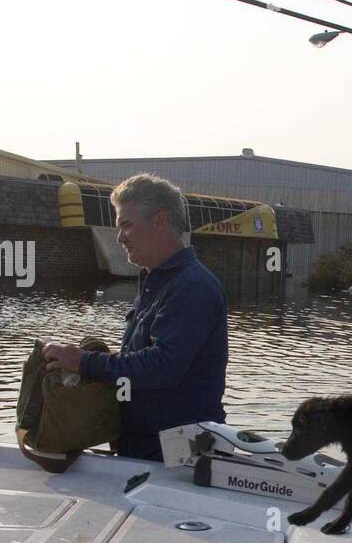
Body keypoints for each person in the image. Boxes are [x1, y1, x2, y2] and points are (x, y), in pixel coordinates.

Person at [44, 174, 227, 461]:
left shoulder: (192, 287)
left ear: (159, 220)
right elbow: (144, 362)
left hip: (179, 456)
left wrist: (83, 361)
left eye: (126, 225)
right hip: (148, 448)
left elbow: (163, 366)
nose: (120, 238)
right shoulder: (156, 281)